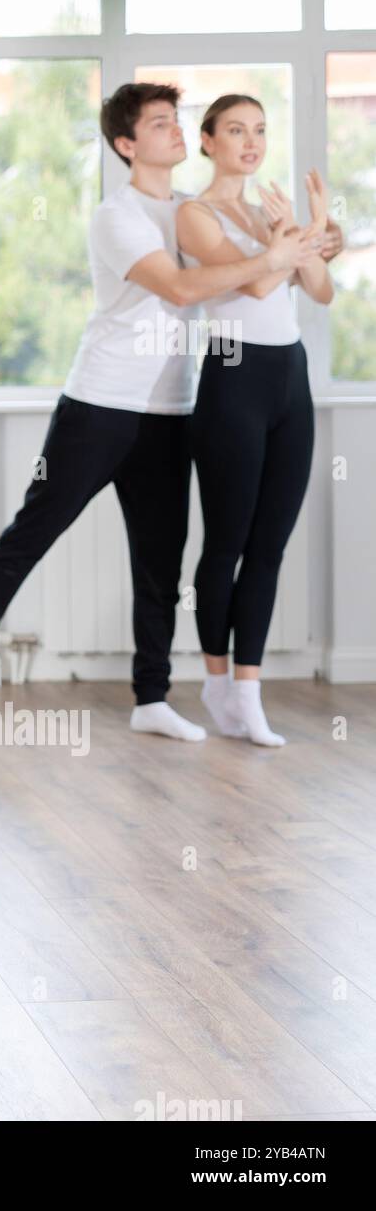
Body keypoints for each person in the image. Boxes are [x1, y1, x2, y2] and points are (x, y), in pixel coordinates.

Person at [0, 82, 330, 742]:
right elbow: (179, 285)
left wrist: (304, 240)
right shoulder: (117, 216)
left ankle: (151, 698)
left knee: (160, 562)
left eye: (178, 120)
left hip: (171, 409)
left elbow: (268, 271)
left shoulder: (193, 208)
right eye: (160, 122)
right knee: (32, 534)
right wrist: (273, 256)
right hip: (100, 404)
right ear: (126, 143)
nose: (176, 130)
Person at [177, 95, 335, 746]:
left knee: (269, 546)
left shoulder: (273, 214)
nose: (251, 141)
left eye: (260, 130)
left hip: (289, 380)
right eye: (236, 130)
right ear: (208, 140)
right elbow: (256, 286)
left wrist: (312, 229)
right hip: (233, 378)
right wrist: (283, 243)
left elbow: (320, 290)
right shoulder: (195, 213)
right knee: (227, 543)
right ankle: (217, 683)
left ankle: (250, 690)